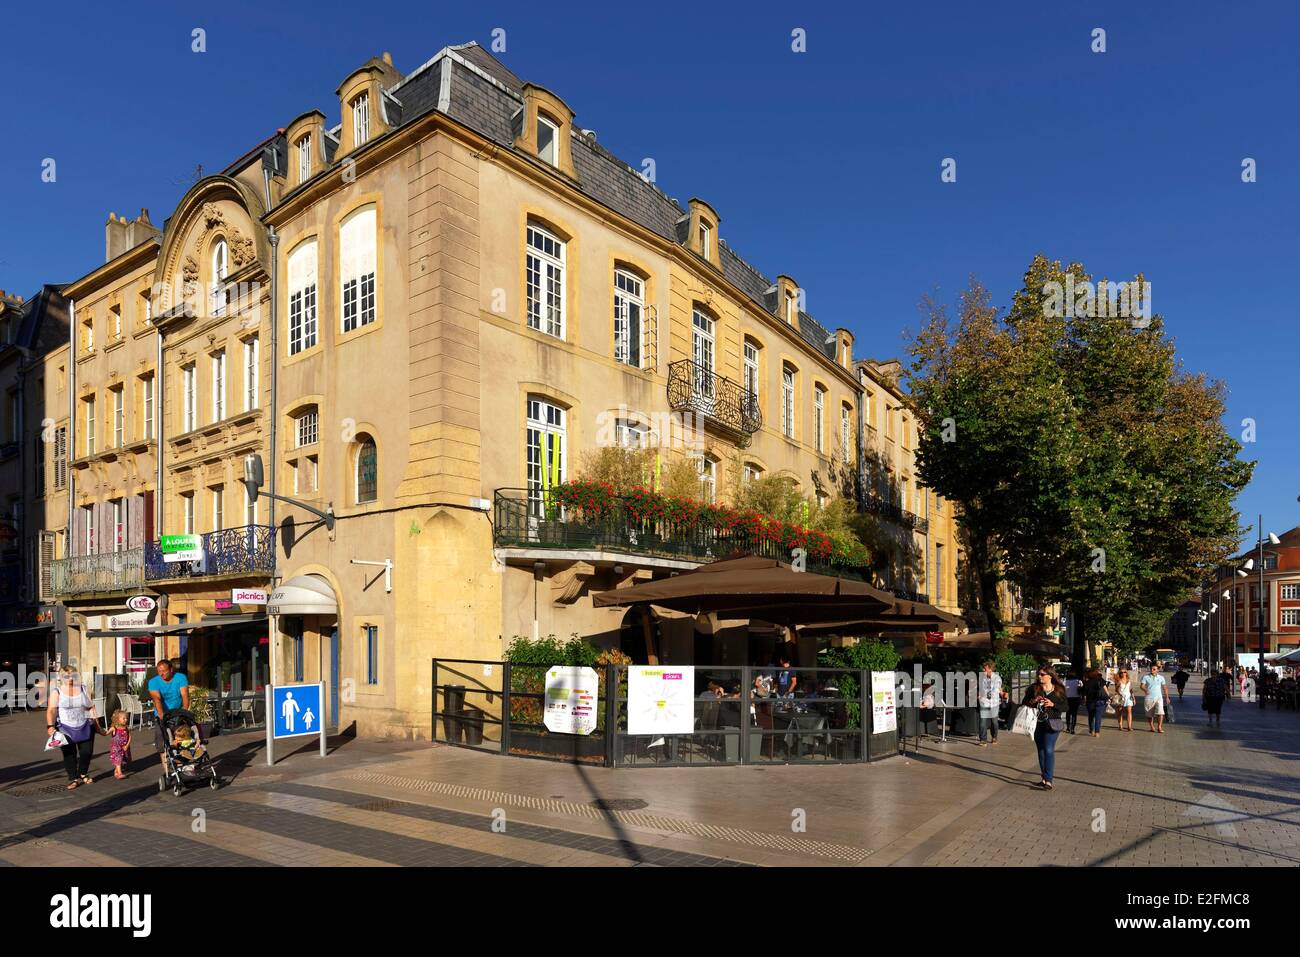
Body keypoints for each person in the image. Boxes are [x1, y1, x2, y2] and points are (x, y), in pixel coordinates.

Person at [44, 666, 99, 790]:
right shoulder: (56, 692)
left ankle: (83, 772)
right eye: (66, 676)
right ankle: (73, 778)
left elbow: (91, 707)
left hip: (85, 725)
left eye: (72, 675)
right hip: (65, 727)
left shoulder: (84, 689)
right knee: (69, 754)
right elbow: (51, 710)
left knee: (87, 752)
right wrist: (50, 726)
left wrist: (97, 724)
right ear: (61, 677)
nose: (70, 678)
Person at [1024, 667, 1066, 789]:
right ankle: (1044, 778)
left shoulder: (1059, 689)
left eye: (1042, 674)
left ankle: (1048, 780)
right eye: (1039, 674)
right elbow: (1024, 702)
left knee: (1048, 749)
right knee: (1041, 751)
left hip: (1053, 724)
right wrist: (1034, 700)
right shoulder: (1034, 688)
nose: (1039, 676)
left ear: (1050, 676)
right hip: (1037, 723)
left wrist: (1053, 704)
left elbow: (1065, 707)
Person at [147, 659, 191, 768]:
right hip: (162, 714)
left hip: (178, 712)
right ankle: (166, 768)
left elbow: (185, 695)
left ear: (171, 670)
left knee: (180, 738)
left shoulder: (180, 678)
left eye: (164, 671)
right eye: (159, 671)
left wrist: (184, 712)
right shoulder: (153, 682)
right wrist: (162, 716)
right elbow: (156, 699)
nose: (161, 674)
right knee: (161, 739)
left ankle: (180, 763)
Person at [976, 660, 1004, 746]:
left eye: (985, 669)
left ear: (990, 669)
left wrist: (984, 694)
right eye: (983, 669)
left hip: (994, 703)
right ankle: (983, 740)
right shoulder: (982, 678)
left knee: (994, 722)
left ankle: (994, 737)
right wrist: (979, 695)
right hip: (984, 702)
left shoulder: (997, 678)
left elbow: (996, 689)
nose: (983, 670)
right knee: (982, 722)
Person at [1140, 663, 1170, 733]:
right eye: (1151, 669)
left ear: (1158, 670)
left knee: (1160, 713)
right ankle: (1152, 726)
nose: (1152, 670)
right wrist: (1145, 690)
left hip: (1159, 698)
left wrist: (1167, 697)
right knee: (1149, 714)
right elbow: (1141, 686)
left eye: (1154, 669)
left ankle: (1159, 727)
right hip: (1149, 698)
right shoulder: (1145, 677)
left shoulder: (1161, 677)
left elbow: (1165, 687)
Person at [1083, 668, 1109, 737]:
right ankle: (1097, 732)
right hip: (1100, 701)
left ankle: (1092, 731)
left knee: (1091, 717)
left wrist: (1085, 701)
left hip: (1090, 701)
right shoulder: (1101, 680)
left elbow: (1085, 694)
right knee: (1098, 717)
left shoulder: (1086, 682)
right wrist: (1108, 697)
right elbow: (1105, 690)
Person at [107, 709, 132, 780]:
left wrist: (127, 745)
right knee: (118, 759)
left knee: (122, 760)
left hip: (124, 747)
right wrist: (99, 729)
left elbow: (130, 737)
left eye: (126, 718)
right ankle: (120, 773)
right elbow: (105, 733)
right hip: (116, 748)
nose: (125, 720)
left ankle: (116, 771)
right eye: (123, 718)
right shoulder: (114, 728)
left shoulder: (126, 728)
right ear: (118, 719)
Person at [1064, 670, 1083, 734]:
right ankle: (1072, 729)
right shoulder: (1078, 681)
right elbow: (1081, 689)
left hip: (1067, 699)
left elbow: (1063, 691)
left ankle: (1068, 728)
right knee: (1074, 714)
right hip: (1076, 699)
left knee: (1068, 714)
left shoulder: (1065, 681)